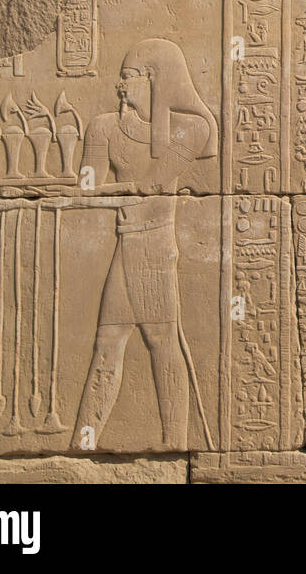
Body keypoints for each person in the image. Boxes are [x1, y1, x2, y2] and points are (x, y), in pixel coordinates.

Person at [71, 38, 217, 451]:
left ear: (154, 79)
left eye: (128, 76)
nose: (120, 85)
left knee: (161, 341)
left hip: (155, 251)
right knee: (107, 343)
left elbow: (154, 183)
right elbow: (88, 185)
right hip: (125, 247)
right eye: (120, 77)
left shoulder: (186, 129)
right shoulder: (103, 127)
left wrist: (130, 189)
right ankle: (84, 440)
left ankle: (174, 440)